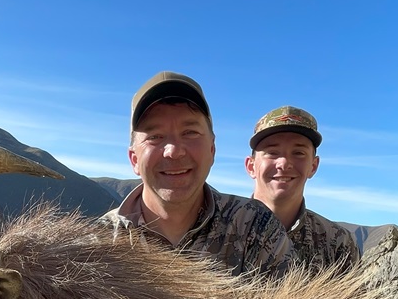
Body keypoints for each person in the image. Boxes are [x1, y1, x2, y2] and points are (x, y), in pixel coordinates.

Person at [103, 72, 293, 279]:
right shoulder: (100, 242)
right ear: (134, 159)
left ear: (212, 150)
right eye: (155, 136)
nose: (174, 151)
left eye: (190, 133)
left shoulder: (256, 226)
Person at [245, 105, 359, 274]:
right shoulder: (217, 228)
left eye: (298, 153)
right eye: (272, 152)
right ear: (251, 166)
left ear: (313, 166)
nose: (284, 163)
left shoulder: (338, 242)